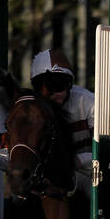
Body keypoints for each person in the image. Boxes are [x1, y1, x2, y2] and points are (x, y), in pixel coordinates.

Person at [30, 49, 94, 193]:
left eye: (61, 85)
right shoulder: (29, 110)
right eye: (49, 87)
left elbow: (105, 149)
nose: (57, 94)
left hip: (86, 174)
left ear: (69, 84)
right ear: (38, 88)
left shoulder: (89, 102)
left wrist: (75, 161)